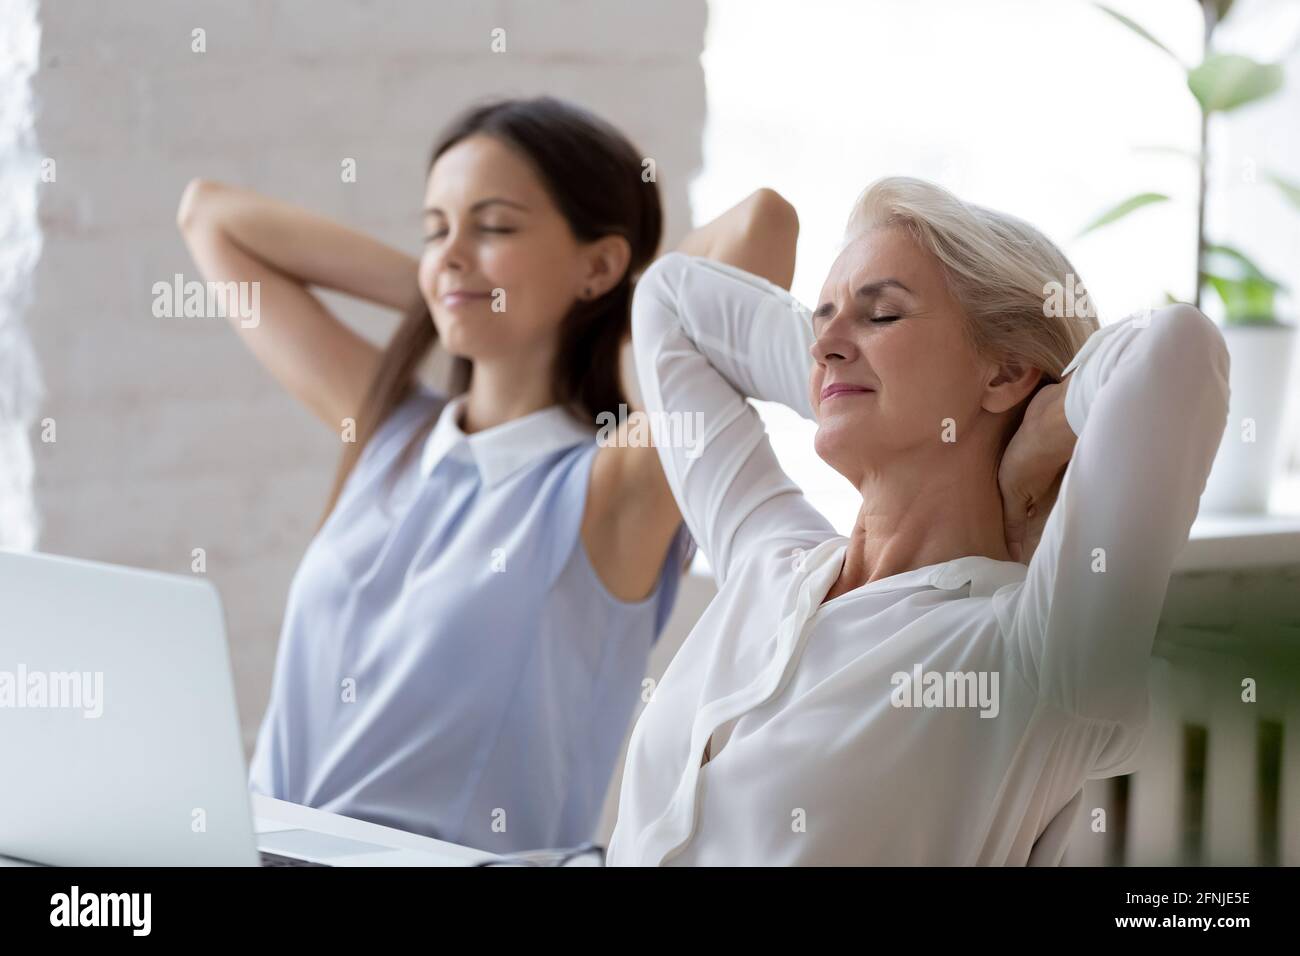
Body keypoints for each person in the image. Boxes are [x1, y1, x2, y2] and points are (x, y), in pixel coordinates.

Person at [176, 95, 794, 854]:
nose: (453, 250)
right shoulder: (388, 432)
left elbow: (763, 224)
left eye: (495, 226)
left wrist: (614, 329)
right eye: (436, 229)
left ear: (600, 265)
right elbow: (209, 218)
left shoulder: (610, 486)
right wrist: (444, 288)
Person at [608, 175, 1230, 865]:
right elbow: (670, 301)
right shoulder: (771, 556)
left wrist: (1039, 432)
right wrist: (843, 374)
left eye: (882, 314)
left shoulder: (1035, 652)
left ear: (1006, 374)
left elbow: (1179, 350)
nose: (825, 343)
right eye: (821, 320)